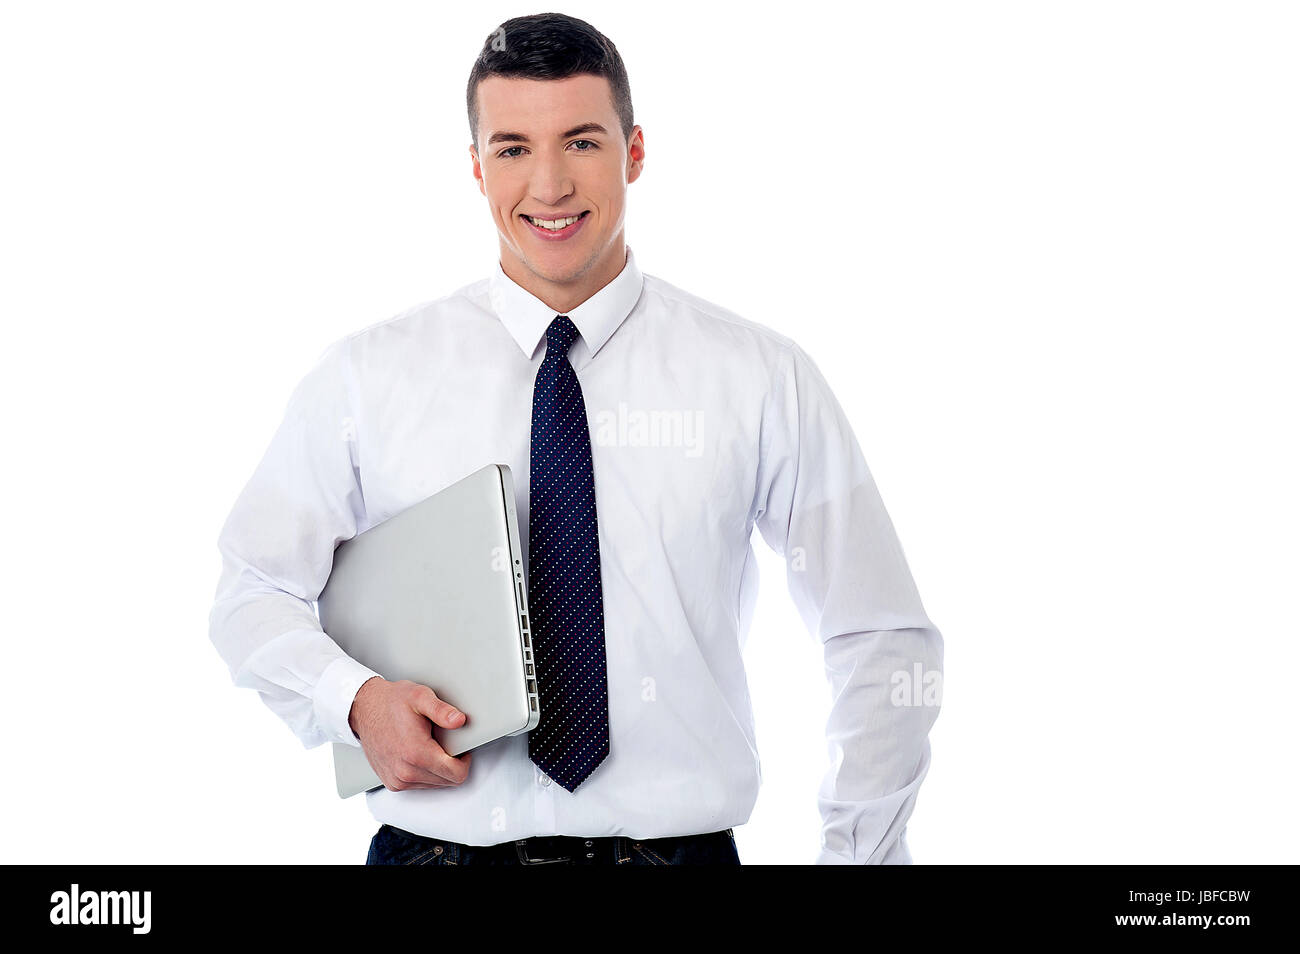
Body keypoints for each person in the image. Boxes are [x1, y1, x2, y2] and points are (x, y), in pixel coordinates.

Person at [208, 11, 944, 866]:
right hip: (432, 856)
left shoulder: (759, 377)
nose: (549, 185)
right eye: (513, 148)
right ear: (476, 166)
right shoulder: (367, 379)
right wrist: (354, 700)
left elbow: (881, 635)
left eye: (583, 142)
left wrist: (858, 856)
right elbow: (250, 590)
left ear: (634, 153)